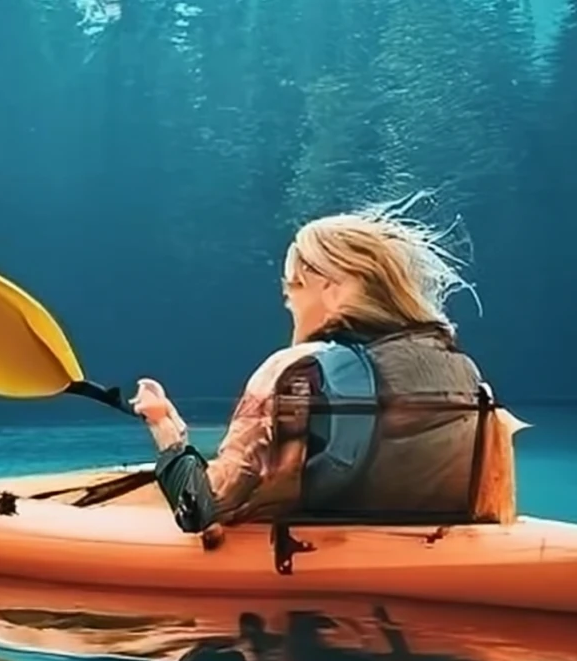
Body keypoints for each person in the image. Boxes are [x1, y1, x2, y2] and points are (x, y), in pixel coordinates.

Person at [131, 200, 526, 538]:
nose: (288, 302)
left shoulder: (297, 370)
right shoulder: (460, 367)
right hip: (438, 548)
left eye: (293, 288)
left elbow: (200, 506)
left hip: (314, 558)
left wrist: (167, 431)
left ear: (332, 288)